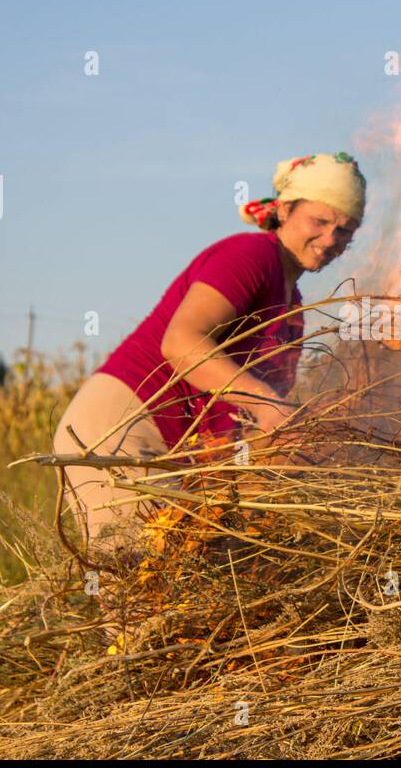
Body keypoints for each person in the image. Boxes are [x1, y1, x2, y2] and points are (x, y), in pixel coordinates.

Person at [52, 152, 366, 553]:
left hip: (173, 450)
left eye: (345, 231)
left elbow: (243, 418)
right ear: (285, 209)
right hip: (124, 427)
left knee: (188, 583)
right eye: (320, 222)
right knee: (146, 589)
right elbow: (180, 343)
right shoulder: (251, 256)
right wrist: (269, 404)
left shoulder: (293, 312)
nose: (330, 240)